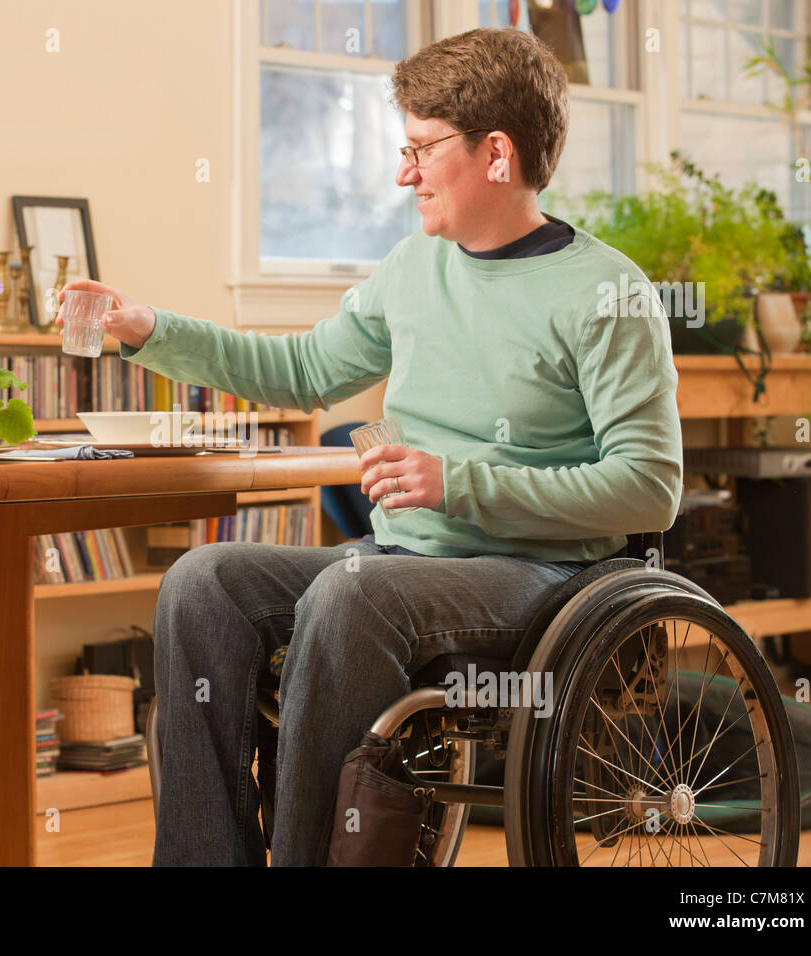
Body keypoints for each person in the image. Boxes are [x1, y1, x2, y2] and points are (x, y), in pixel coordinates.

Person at [59, 27, 682, 866]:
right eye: (404, 148)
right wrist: (150, 328)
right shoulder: (413, 267)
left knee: (355, 594)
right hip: (402, 560)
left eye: (423, 149)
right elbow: (304, 367)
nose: (404, 173)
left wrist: (459, 481)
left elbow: (648, 488)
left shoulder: (607, 292)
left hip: (544, 578)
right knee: (204, 581)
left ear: (496, 153)